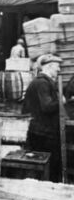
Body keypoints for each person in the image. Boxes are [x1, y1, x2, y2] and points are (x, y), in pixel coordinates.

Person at [23, 53, 63, 182]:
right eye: (57, 66)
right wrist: (61, 101)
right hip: (43, 135)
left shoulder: (42, 82)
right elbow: (47, 106)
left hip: (42, 132)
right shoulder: (42, 83)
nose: (59, 70)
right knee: (49, 168)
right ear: (50, 66)